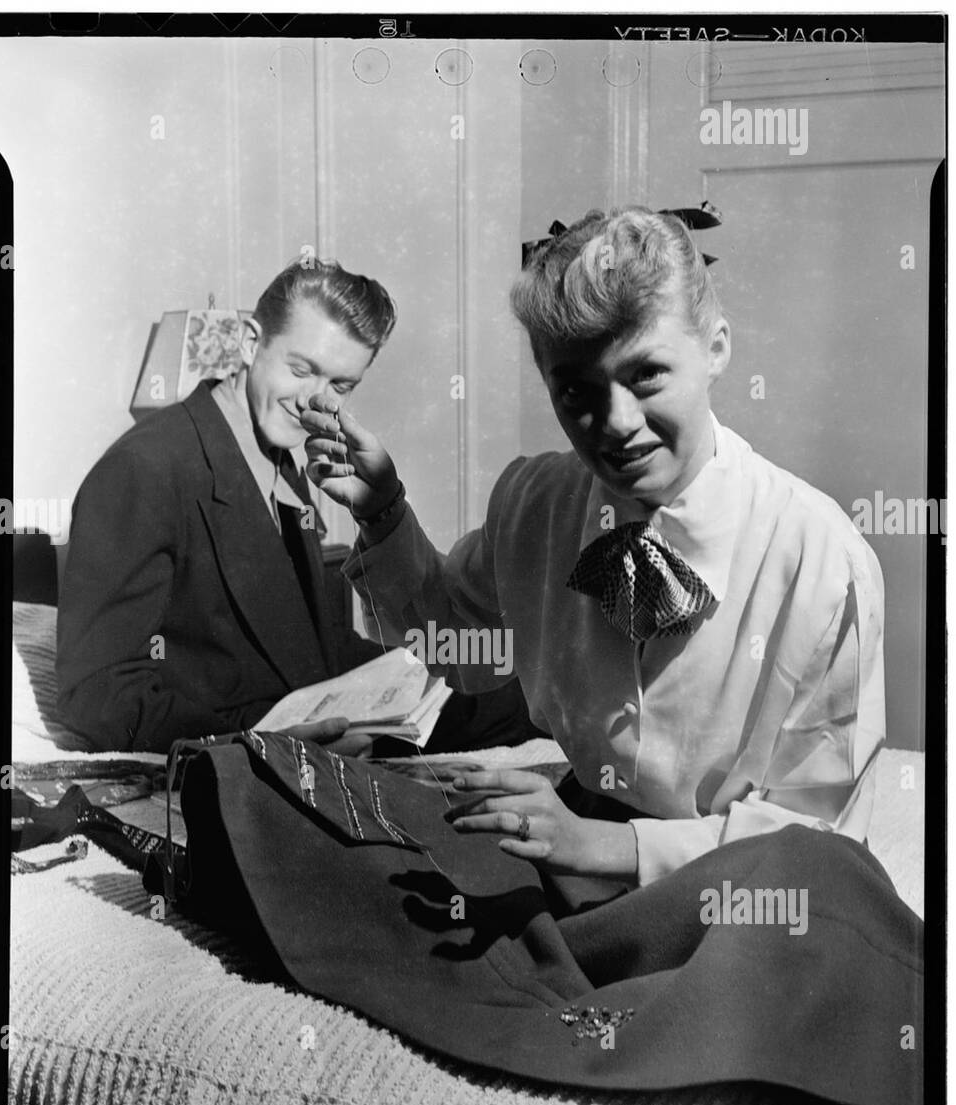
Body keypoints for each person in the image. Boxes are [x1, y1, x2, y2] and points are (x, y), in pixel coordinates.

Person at [301, 207, 885, 890]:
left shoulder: (824, 563)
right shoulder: (537, 502)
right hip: (571, 840)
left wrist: (607, 847)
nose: (616, 425)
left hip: (736, 888)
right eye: (576, 391)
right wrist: (382, 511)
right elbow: (456, 648)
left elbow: (821, 842)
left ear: (717, 348)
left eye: (646, 376)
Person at [56, 259, 534, 756]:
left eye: (340, 386)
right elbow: (96, 695)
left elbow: (308, 648)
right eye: (301, 369)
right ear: (247, 342)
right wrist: (260, 744)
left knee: (530, 707)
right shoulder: (144, 467)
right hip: (250, 744)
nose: (313, 400)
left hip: (313, 726)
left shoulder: (282, 462)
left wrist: (415, 682)